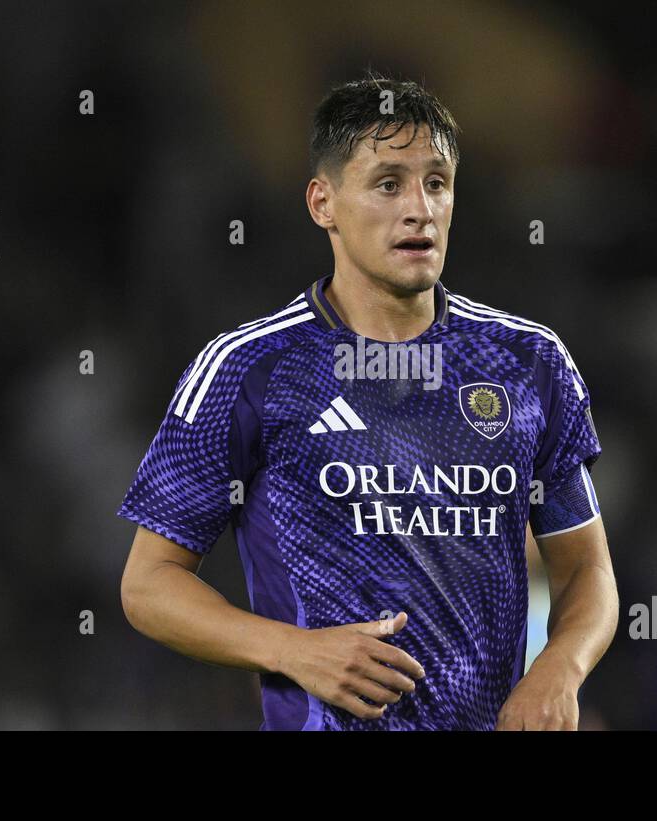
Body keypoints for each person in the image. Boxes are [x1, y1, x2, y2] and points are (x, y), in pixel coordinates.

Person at [118, 71, 618, 730]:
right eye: (388, 184)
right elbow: (148, 583)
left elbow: (586, 569)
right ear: (322, 203)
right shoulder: (249, 369)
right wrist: (292, 650)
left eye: (436, 183)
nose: (419, 207)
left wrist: (561, 666)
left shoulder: (528, 363)